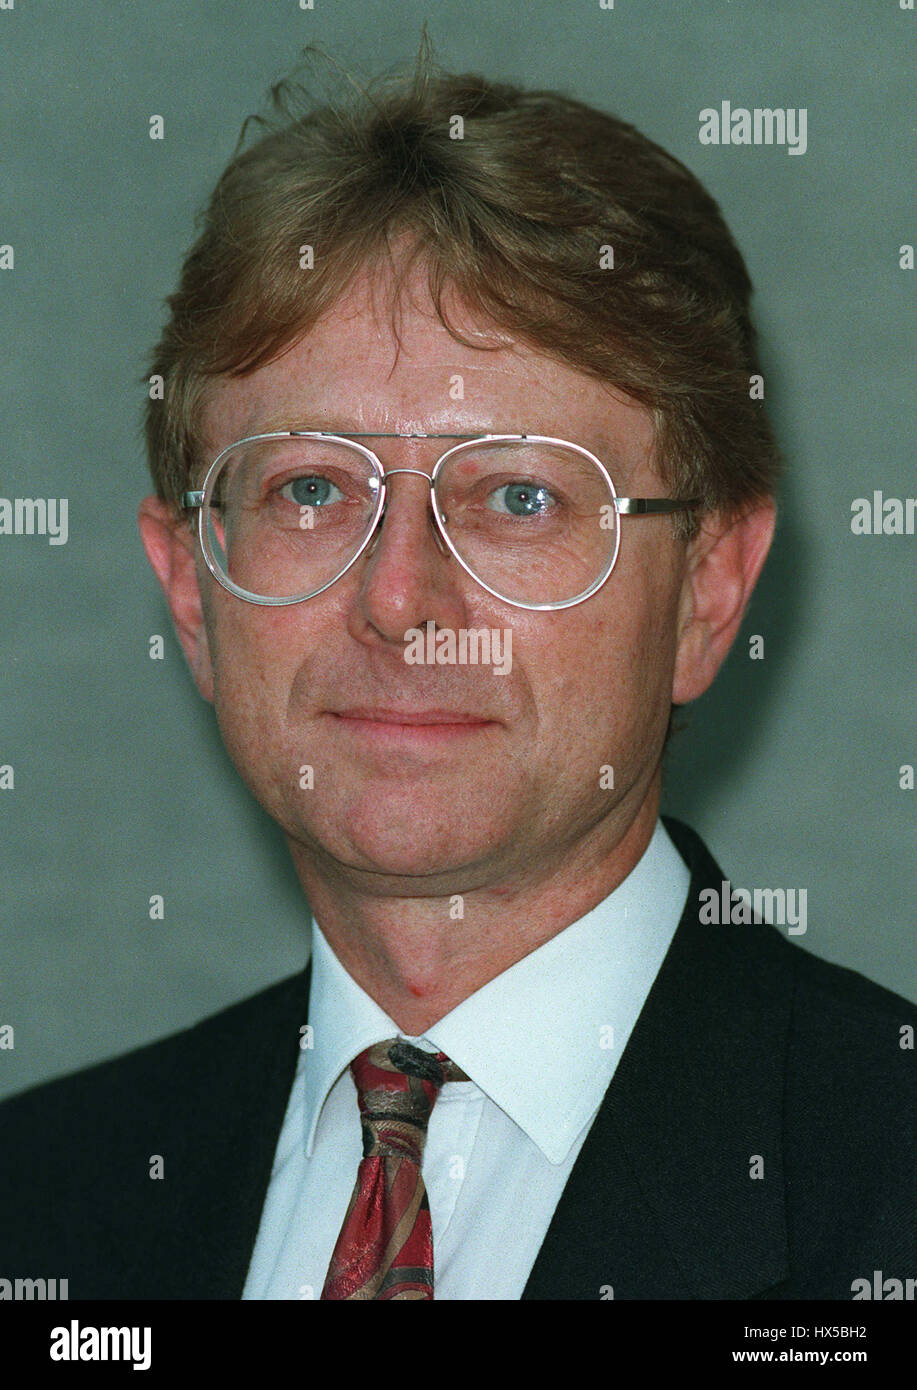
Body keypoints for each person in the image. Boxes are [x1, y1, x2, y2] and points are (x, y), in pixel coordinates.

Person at [2, 48, 914, 1303]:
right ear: (190, 590)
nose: (399, 603)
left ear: (708, 587)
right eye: (310, 489)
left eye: (518, 496)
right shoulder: (39, 1201)